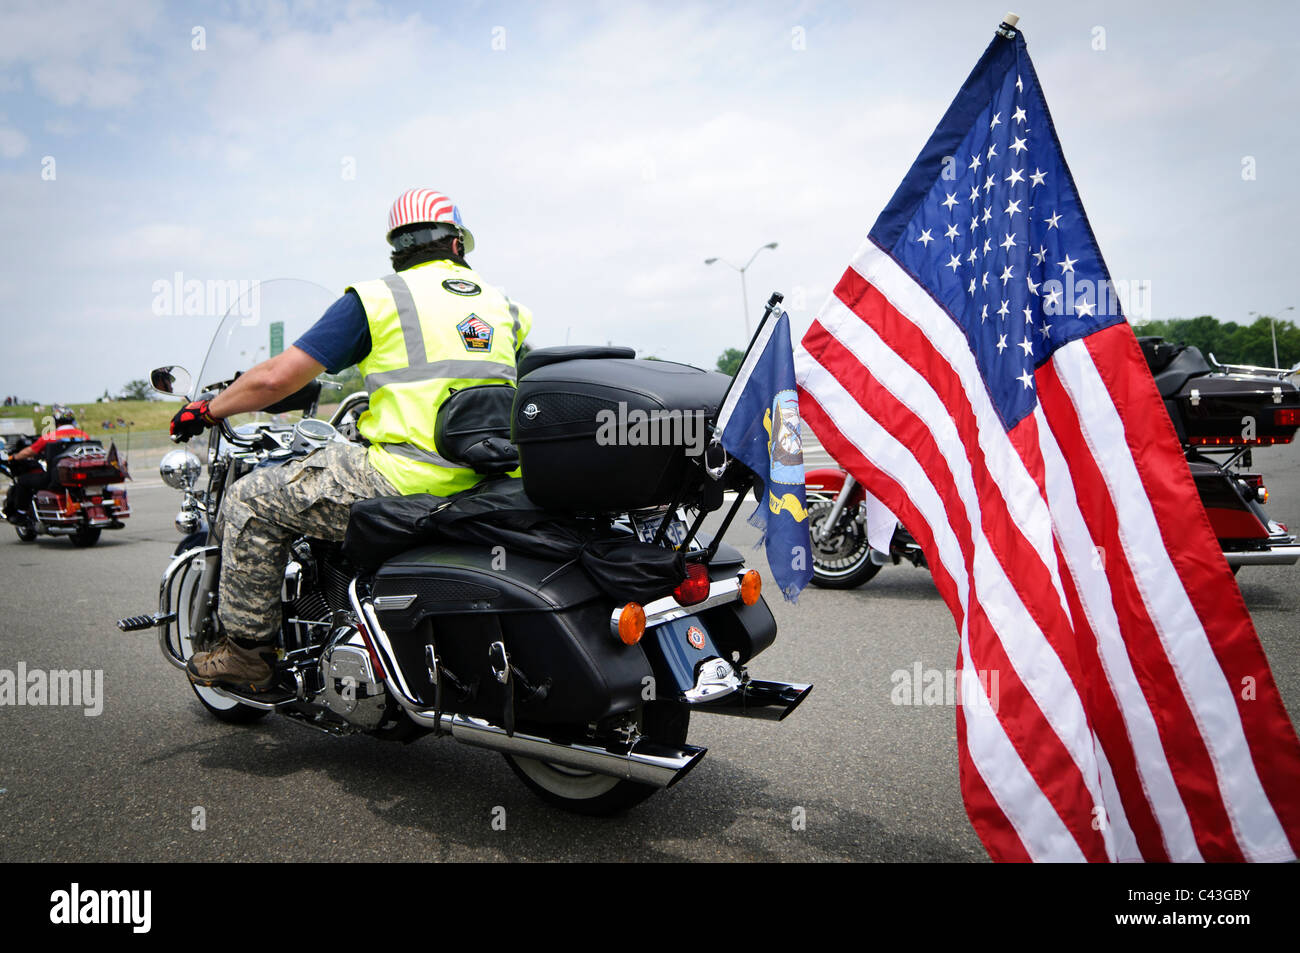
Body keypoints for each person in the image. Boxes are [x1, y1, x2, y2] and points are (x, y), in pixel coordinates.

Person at [170, 188, 533, 692]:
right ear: (456, 245)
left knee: (249, 499)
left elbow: (277, 378)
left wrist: (206, 409)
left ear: (397, 249)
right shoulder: (505, 307)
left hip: (405, 476)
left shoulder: (380, 298)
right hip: (492, 479)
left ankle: (247, 657)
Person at [5, 406, 90, 518]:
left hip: (53, 478)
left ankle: (21, 513)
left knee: (22, 481)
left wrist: (13, 457)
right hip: (78, 476)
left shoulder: (50, 436)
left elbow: (29, 452)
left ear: (56, 421)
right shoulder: (83, 435)